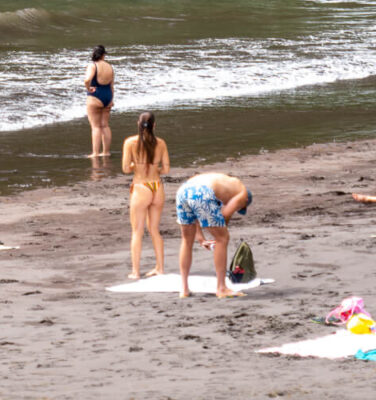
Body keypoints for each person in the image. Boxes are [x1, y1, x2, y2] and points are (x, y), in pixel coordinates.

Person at [176, 172, 253, 298]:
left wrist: (201, 239)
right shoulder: (242, 193)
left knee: (186, 240)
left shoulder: (225, 184)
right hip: (202, 192)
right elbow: (225, 214)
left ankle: (184, 289)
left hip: (184, 190)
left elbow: (197, 214)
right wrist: (219, 237)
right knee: (223, 239)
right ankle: (221, 288)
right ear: (246, 201)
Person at [122, 111, 171, 279]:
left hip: (141, 186)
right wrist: (154, 169)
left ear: (138, 124)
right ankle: (160, 268)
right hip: (157, 186)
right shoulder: (161, 143)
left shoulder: (130, 142)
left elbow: (125, 169)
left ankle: (136, 271)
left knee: (137, 231)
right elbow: (166, 169)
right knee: (154, 230)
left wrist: (137, 165)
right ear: (154, 125)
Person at [83, 44, 114, 158]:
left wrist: (88, 88)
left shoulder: (93, 66)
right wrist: (111, 99)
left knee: (95, 127)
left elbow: (87, 80)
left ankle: (95, 153)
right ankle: (106, 152)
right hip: (108, 95)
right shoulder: (110, 67)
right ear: (103, 55)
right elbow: (112, 85)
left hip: (96, 96)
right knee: (105, 125)